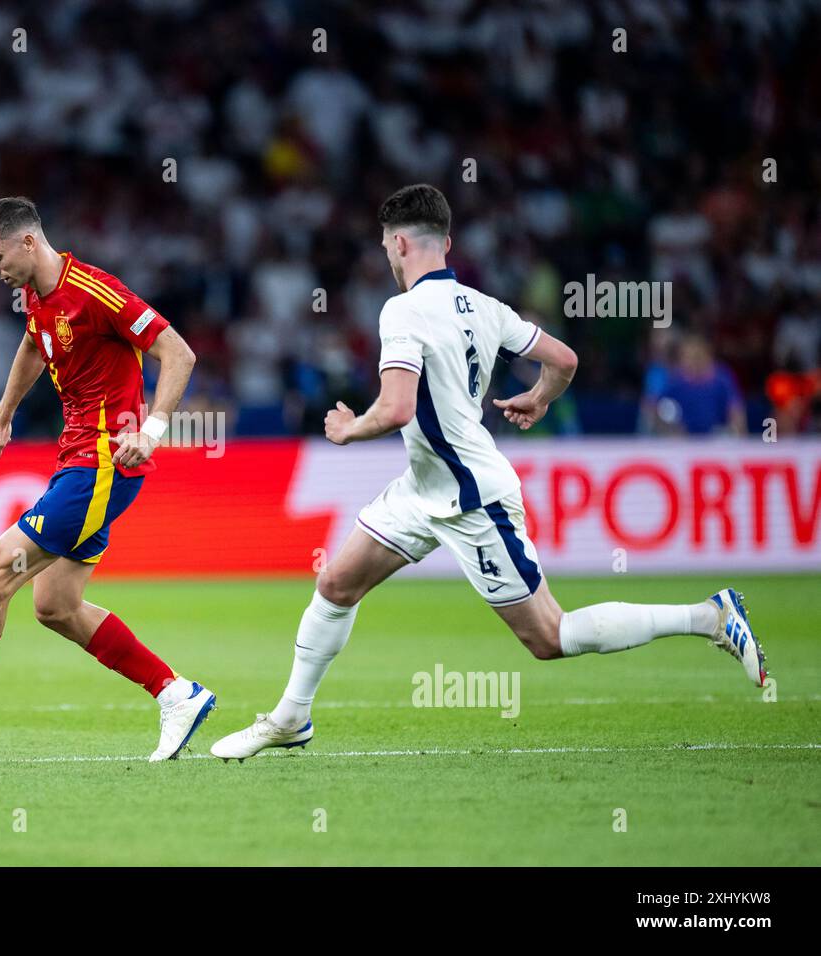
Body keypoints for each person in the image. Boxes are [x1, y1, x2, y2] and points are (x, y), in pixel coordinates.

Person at [211, 184, 768, 761]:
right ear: (446, 243)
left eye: (385, 247)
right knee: (335, 584)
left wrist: (351, 429)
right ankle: (291, 717)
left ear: (399, 243)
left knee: (550, 638)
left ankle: (708, 616)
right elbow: (564, 360)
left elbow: (398, 407)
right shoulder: (484, 306)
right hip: (423, 488)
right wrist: (539, 397)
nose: (387, 256)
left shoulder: (400, 311)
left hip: (471, 497)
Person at [0, 197, 216, 761]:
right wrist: (4, 412)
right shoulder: (35, 294)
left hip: (104, 464)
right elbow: (35, 342)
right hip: (76, 463)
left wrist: (151, 430)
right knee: (55, 605)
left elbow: (179, 353)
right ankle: (177, 693)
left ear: (28, 241)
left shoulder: (98, 292)